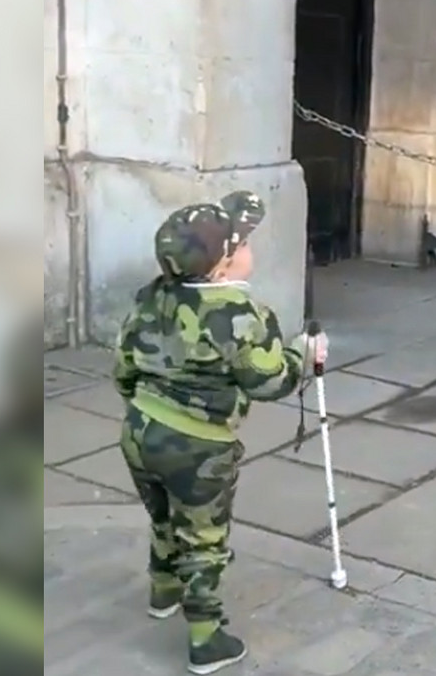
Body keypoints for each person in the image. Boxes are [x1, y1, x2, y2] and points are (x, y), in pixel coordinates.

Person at [113, 190, 328, 675]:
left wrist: (141, 409)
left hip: (139, 430)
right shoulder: (240, 314)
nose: (251, 247)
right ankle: (206, 639)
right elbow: (269, 381)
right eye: (242, 244)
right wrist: (303, 355)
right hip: (200, 448)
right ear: (222, 267)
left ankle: (163, 589)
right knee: (204, 539)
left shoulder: (153, 296)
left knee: (162, 514)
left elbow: (123, 364)